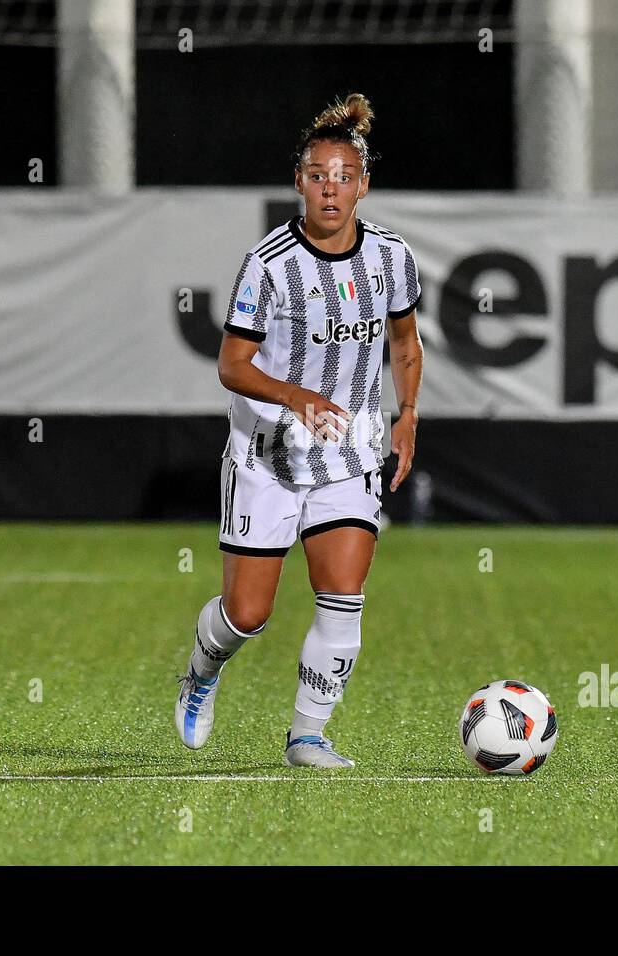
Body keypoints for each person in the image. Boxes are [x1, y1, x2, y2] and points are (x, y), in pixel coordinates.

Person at [175, 92, 424, 768]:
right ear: (299, 182)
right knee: (247, 613)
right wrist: (295, 396)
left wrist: (406, 417)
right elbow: (231, 364)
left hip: (349, 452)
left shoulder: (392, 258)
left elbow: (405, 342)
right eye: (318, 176)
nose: (330, 189)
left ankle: (307, 735)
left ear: (363, 185)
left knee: (343, 596)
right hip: (268, 455)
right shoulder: (269, 263)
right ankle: (202, 669)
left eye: (344, 177)